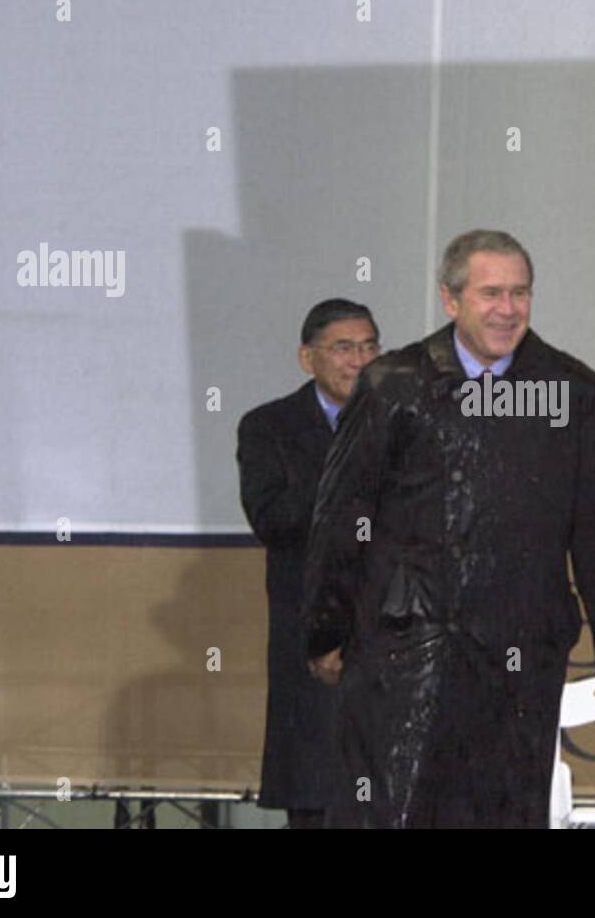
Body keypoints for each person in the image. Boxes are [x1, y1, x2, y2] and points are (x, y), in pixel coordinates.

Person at [302, 229, 595, 828]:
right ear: (451, 299)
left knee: (506, 812)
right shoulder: (395, 385)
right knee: (395, 813)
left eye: (520, 293)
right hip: (407, 651)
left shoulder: (571, 392)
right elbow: (344, 516)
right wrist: (325, 629)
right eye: (491, 292)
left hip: (520, 653)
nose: (507, 309)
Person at [236, 298, 380, 828]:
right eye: (343, 348)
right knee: (318, 802)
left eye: (369, 347)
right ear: (307, 358)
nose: (358, 361)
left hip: (396, 642)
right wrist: (345, 471)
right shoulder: (269, 427)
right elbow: (271, 520)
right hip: (316, 645)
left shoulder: (404, 424)